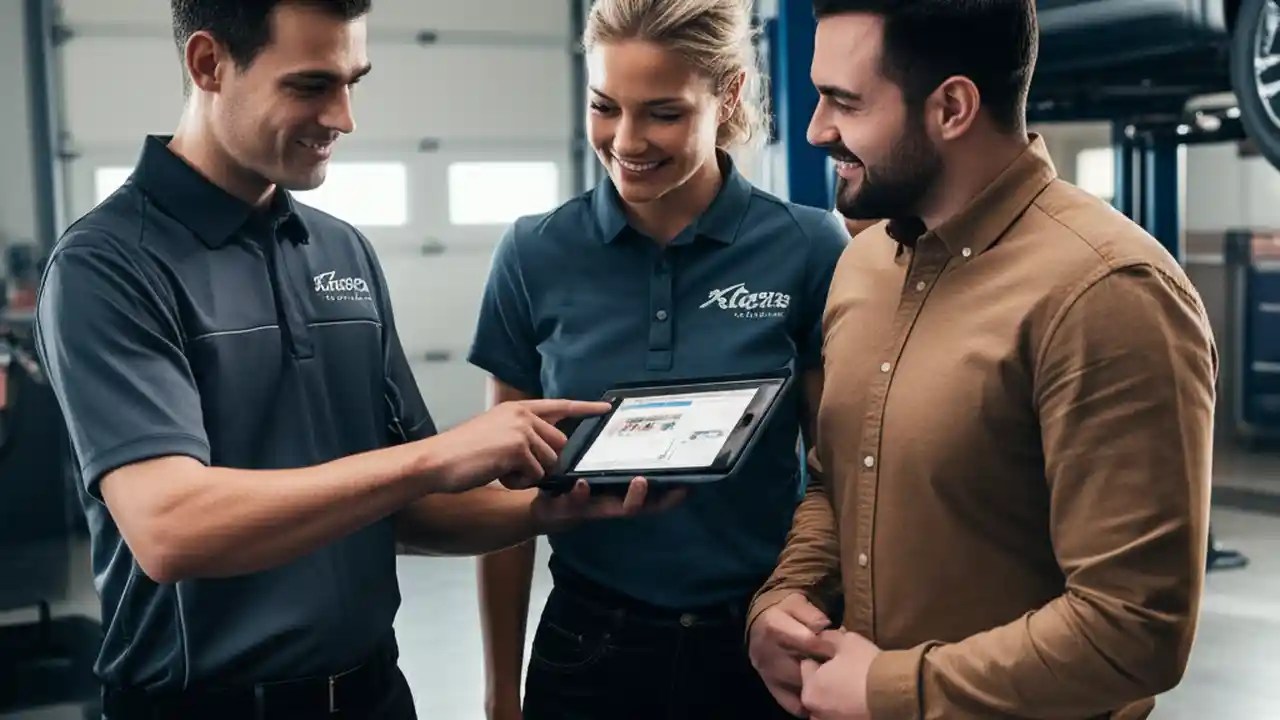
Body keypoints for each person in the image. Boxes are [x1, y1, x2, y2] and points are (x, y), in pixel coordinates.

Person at [34, 2, 670, 718]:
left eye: (351, 82)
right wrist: (436, 457)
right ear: (208, 64)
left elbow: (409, 511)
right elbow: (169, 529)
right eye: (310, 86)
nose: (344, 117)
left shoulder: (343, 253)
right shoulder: (108, 266)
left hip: (375, 694)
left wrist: (563, 507)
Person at [746, 1, 1216, 719]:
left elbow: (1134, 629)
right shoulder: (864, 268)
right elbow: (838, 485)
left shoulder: (1107, 293)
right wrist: (787, 597)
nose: (816, 129)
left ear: (953, 107)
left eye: (844, 101)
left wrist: (891, 691)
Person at [468, 0, 849, 717]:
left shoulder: (808, 247)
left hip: (761, 641)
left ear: (728, 94)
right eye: (605, 107)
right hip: (588, 649)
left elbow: (843, 479)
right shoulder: (533, 254)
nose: (627, 141)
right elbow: (507, 500)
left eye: (664, 113)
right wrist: (499, 695)